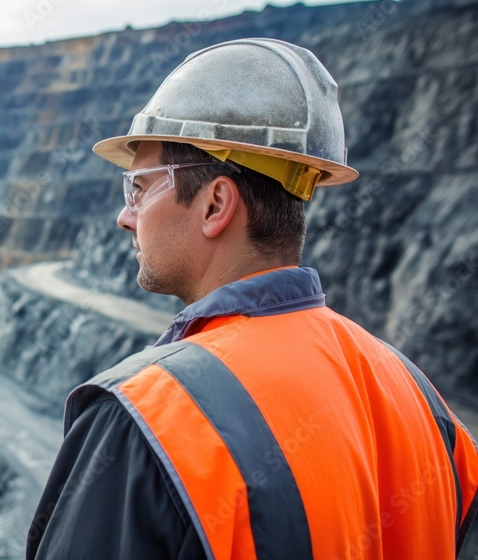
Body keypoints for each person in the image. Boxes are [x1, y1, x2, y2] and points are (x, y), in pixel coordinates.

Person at [26, 38, 478, 559]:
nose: (125, 216)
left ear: (215, 203)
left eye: (140, 187)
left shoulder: (148, 422)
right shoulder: (425, 405)